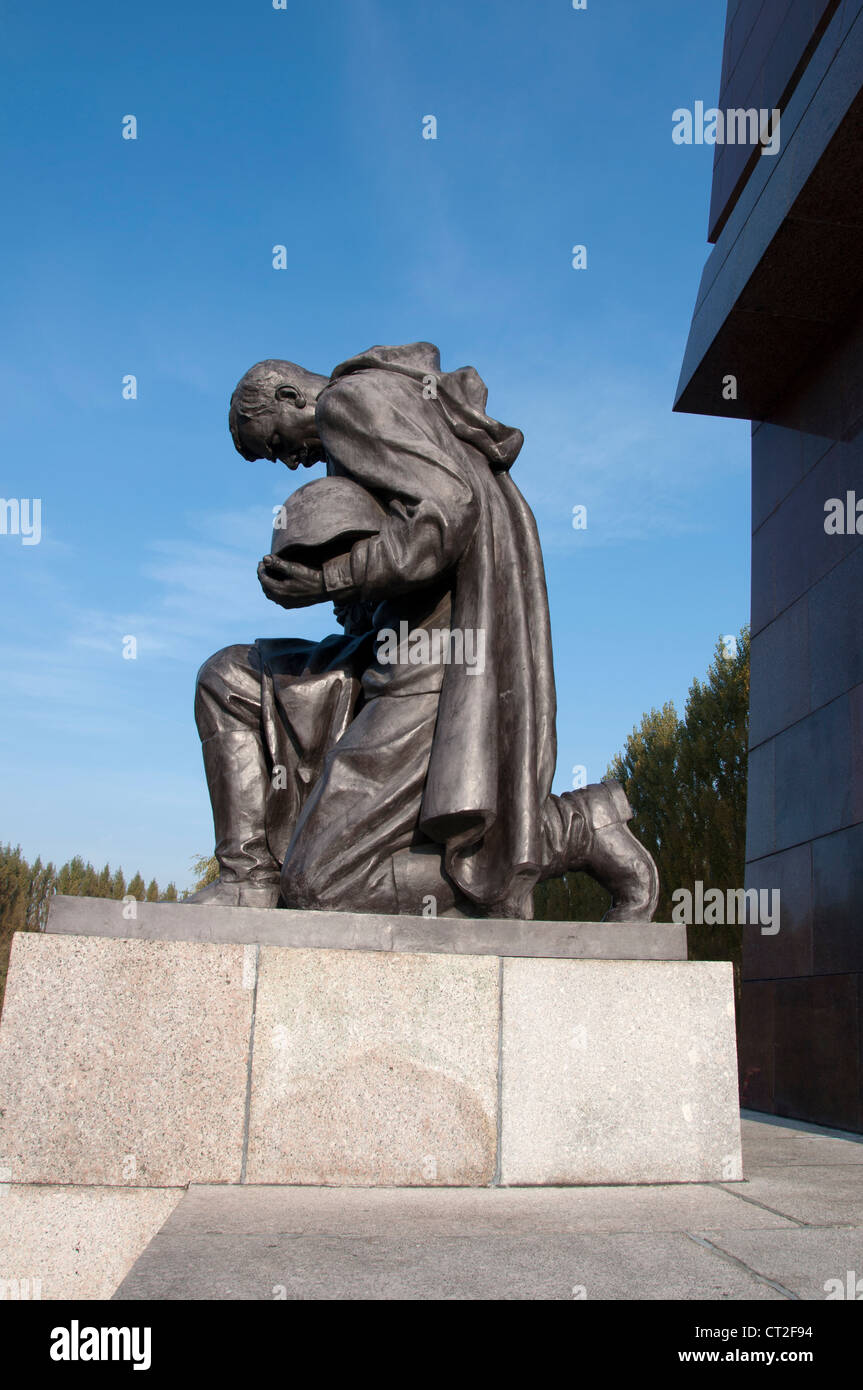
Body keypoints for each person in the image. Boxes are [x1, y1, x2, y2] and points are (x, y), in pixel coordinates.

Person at [190, 343, 658, 921]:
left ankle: (571, 830)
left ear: (290, 397)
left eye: (280, 445)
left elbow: (445, 513)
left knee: (319, 887)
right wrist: (338, 588)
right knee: (228, 678)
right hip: (391, 644)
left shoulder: (347, 403)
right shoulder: (374, 404)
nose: (289, 462)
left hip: (438, 660)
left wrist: (331, 577)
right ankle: (247, 877)